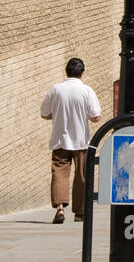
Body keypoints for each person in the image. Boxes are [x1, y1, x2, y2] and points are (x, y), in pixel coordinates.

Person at [40, 58, 101, 223]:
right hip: (81, 141)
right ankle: (79, 212)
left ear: (66, 71)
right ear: (82, 72)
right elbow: (96, 116)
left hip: (60, 139)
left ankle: (60, 208)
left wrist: (58, 115)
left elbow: (44, 113)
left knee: (59, 173)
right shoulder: (86, 90)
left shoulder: (56, 90)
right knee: (81, 176)